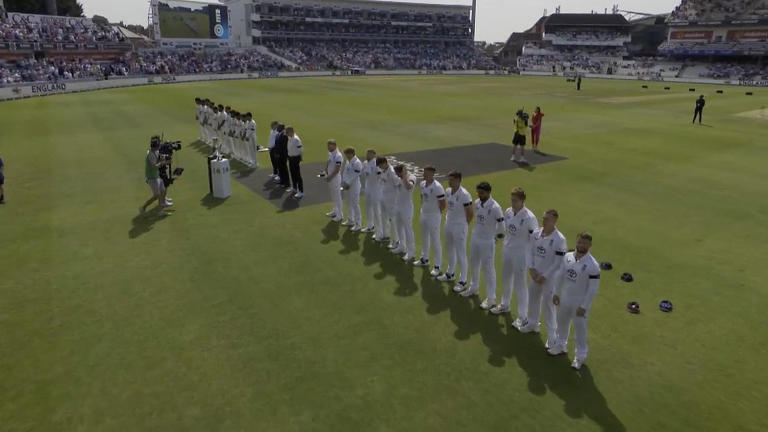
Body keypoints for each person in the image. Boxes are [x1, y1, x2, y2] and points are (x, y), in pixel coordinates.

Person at [549, 232, 600, 370]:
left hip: (580, 302)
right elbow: (560, 276)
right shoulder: (568, 257)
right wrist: (555, 293)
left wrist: (584, 306)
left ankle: (580, 357)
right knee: (562, 322)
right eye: (579, 242)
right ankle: (560, 345)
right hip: (565, 297)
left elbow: (593, 289)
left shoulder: (593, 265)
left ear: (589, 245)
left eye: (584, 243)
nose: (580, 245)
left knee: (580, 331)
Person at [520, 209, 567, 350]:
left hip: (550, 279)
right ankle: (532, 324)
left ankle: (552, 338)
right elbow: (529, 251)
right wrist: (531, 268)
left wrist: (544, 275)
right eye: (544, 218)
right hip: (535, 274)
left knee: (549, 307)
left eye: (548, 219)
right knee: (533, 299)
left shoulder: (560, 239)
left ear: (554, 221)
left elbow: (558, 262)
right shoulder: (536, 234)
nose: (544, 221)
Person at [457, 182, 505, 311]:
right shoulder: (477, 203)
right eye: (478, 192)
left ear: (489, 192)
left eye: (482, 193)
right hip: (475, 238)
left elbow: (501, 227)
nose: (479, 195)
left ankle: (491, 298)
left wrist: (495, 238)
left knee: (488, 268)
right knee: (474, 263)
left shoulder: (495, 207)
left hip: (487, 241)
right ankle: (473, 287)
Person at [492, 188, 538, 319]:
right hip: (507, 250)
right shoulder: (508, 212)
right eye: (511, 200)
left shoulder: (530, 217)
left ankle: (522, 316)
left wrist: (531, 259)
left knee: (520, 285)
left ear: (522, 200)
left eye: (515, 200)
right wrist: (497, 237)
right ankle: (504, 305)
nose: (512, 203)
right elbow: (505, 230)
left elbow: (534, 240)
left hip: (521, 254)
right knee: (506, 279)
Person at [437, 171, 473, 290]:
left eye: (451, 179)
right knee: (449, 249)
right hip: (449, 223)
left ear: (458, 180)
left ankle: (463, 281)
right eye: (449, 179)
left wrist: (463, 225)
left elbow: (470, 213)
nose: (449, 181)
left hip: (460, 226)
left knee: (461, 252)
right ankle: (450, 273)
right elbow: (448, 206)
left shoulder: (465, 195)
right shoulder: (448, 191)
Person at [414, 166, 446, 276]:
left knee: (435, 240)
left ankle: (438, 266)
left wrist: (437, 213)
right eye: (424, 172)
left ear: (432, 174)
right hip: (424, 214)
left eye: (427, 173)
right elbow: (422, 197)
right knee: (424, 237)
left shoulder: (438, 187)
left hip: (434, 216)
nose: (424, 174)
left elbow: (443, 204)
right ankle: (424, 258)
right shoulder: (422, 184)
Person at [139, 138, 172, 214]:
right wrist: (163, 162)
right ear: (154, 147)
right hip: (151, 177)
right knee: (156, 195)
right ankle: (143, 207)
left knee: (163, 191)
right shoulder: (150, 154)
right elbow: (155, 166)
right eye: (158, 146)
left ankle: (160, 211)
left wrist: (163, 160)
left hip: (156, 176)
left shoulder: (155, 151)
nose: (159, 147)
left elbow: (158, 160)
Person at [393, 164, 417, 260]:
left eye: (398, 173)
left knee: (408, 229)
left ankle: (411, 252)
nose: (397, 175)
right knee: (399, 227)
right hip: (398, 206)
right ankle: (402, 246)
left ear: (402, 171)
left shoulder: (412, 177)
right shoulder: (397, 178)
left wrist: (404, 176)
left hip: (407, 207)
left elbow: (408, 187)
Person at [377, 157, 399, 248]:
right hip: (384, 196)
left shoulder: (392, 172)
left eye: (381, 165)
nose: (380, 167)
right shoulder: (383, 170)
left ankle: (396, 240)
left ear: (385, 163)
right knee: (383, 216)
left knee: (392, 220)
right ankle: (385, 235)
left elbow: (397, 184)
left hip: (392, 199)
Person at [341, 147, 364, 230]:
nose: (346, 156)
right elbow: (345, 172)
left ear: (352, 153)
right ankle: (351, 220)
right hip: (347, 185)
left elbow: (355, 175)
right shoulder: (348, 161)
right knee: (348, 203)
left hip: (354, 187)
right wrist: (344, 182)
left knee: (355, 205)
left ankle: (358, 224)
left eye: (347, 154)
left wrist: (348, 183)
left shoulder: (357, 163)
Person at [362, 149, 382, 235]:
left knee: (376, 210)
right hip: (368, 188)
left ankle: (379, 230)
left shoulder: (377, 164)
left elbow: (381, 176)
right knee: (368, 208)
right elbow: (363, 174)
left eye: (369, 154)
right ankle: (370, 226)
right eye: (367, 154)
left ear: (374, 155)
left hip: (376, 189)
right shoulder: (365, 163)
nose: (367, 155)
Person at [325, 139, 344, 222]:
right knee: (333, 195)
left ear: (335, 146)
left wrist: (330, 177)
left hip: (335, 178)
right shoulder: (330, 153)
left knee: (337, 196)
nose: (328, 147)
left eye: (330, 146)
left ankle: (340, 215)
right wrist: (326, 170)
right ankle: (335, 210)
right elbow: (328, 162)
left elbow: (337, 169)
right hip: (330, 176)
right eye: (328, 146)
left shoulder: (338, 156)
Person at [286, 126, 303, 198]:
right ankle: (294, 188)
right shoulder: (290, 138)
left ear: (291, 131)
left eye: (287, 132)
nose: (286, 134)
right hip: (290, 158)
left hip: (295, 158)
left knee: (297, 175)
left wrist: (300, 158)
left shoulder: (296, 139)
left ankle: (301, 191)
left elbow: (300, 149)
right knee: (292, 173)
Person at [274, 124, 290, 189]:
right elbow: (277, 144)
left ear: (281, 128)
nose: (277, 128)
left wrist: (279, 153)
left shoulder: (284, 135)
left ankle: (286, 183)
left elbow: (283, 147)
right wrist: (276, 152)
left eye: (278, 127)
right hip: (278, 155)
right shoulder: (278, 134)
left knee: (284, 169)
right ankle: (282, 181)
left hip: (282, 155)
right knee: (280, 168)